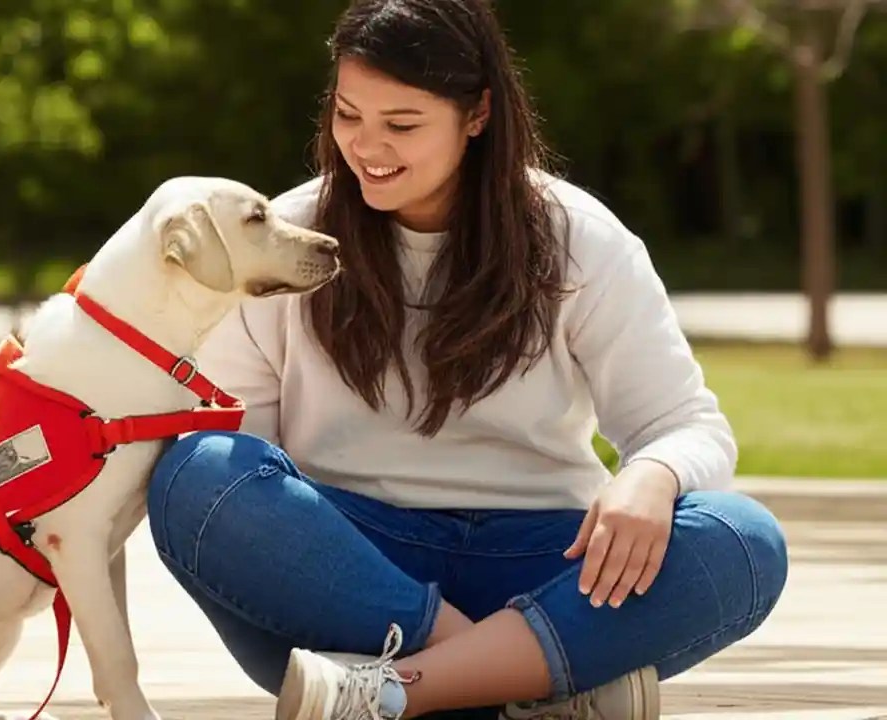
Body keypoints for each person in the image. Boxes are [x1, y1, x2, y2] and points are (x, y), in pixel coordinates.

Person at [144, 0, 789, 718]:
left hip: (550, 567)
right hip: (351, 573)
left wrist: (651, 476)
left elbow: (688, 425)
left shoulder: (581, 240)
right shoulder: (284, 238)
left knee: (744, 540)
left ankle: (394, 693)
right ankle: (524, 682)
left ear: (477, 114)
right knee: (195, 471)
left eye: (402, 125)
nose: (366, 145)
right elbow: (244, 456)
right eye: (348, 114)